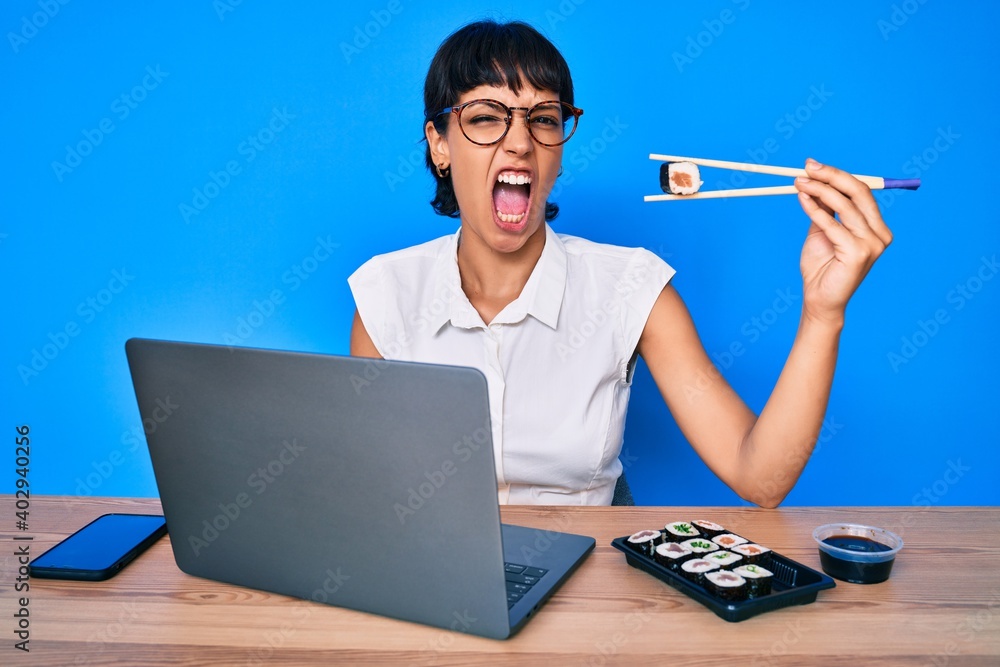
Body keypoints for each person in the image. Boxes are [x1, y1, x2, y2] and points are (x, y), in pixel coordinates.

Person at [348, 20, 892, 507]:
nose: (520, 142)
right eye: (486, 118)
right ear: (439, 144)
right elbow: (376, 497)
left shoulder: (633, 289)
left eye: (543, 117)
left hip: (591, 592)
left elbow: (761, 476)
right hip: (440, 590)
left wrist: (824, 312)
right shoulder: (385, 296)